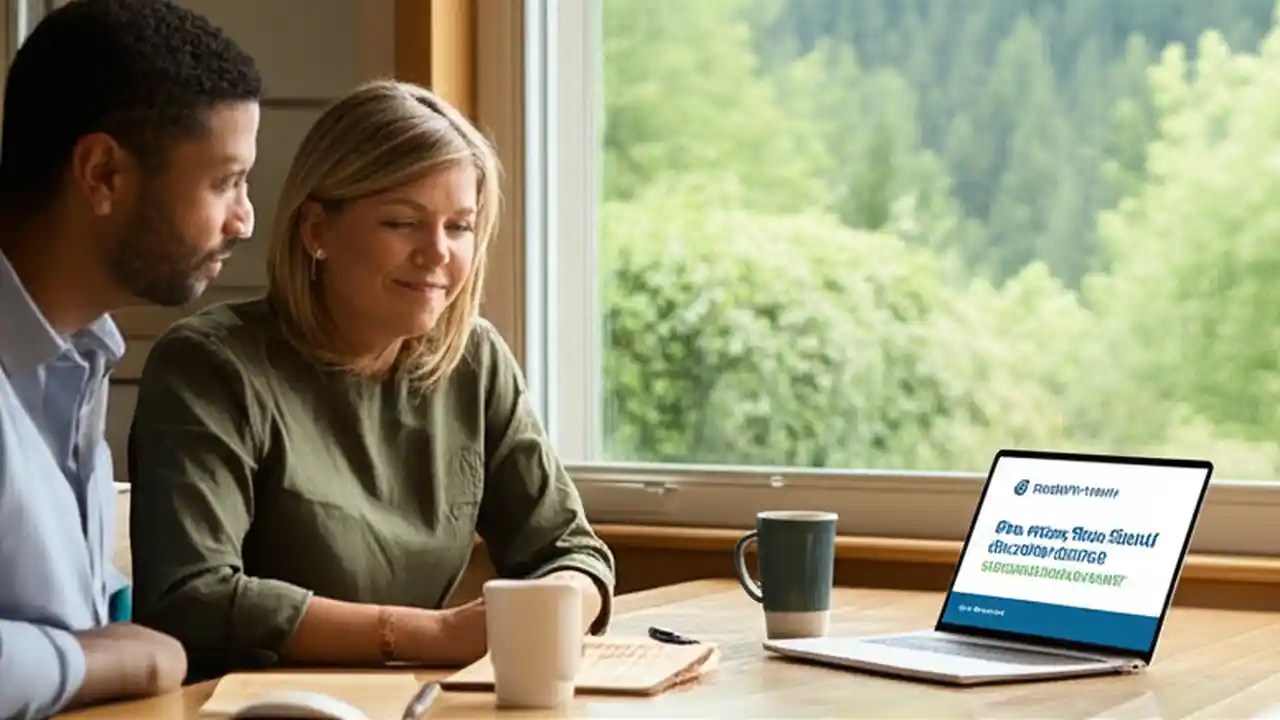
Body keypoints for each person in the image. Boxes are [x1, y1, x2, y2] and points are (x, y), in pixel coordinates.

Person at [127, 80, 616, 681]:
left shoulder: (474, 359)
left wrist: (558, 608)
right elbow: (190, 599)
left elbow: (571, 551)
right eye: (402, 222)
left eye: (459, 226)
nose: (437, 253)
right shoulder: (210, 365)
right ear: (316, 231)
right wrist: (433, 635)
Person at [0, 0, 261, 716]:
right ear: (103, 173)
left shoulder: (79, 359)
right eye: (224, 181)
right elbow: (103, 655)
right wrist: (99, 659)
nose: (245, 218)